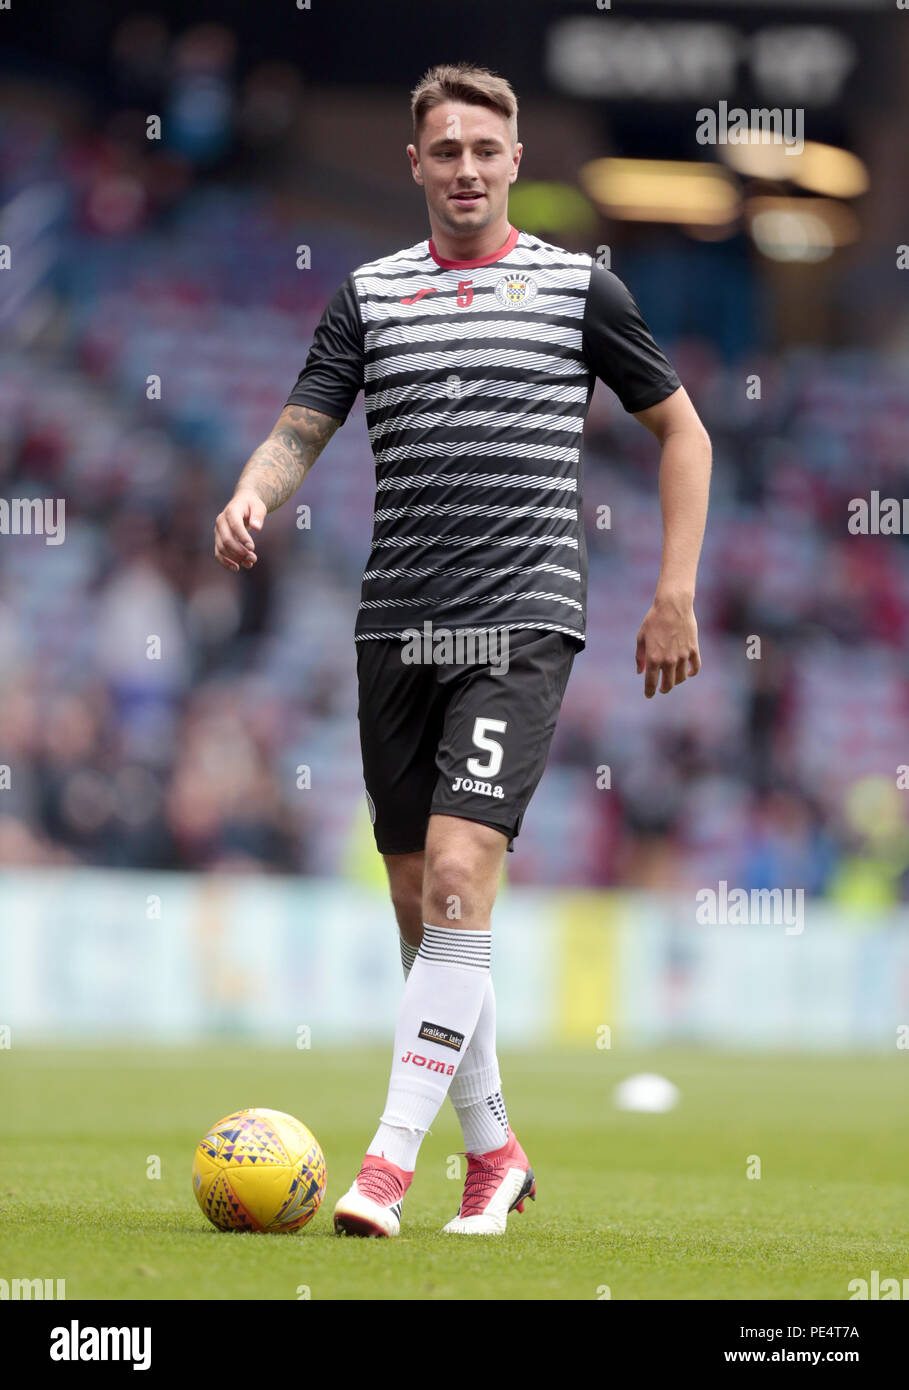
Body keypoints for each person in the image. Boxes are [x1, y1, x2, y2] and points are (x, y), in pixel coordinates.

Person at [214, 63, 711, 1237]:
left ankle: (387, 1165)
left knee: (455, 872)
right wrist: (253, 491)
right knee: (417, 902)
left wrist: (675, 590)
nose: (468, 168)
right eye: (446, 149)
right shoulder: (369, 296)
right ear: (417, 164)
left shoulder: (579, 286)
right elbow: (304, 418)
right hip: (395, 625)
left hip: (521, 617)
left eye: (486, 148)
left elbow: (682, 431)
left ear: (517, 158)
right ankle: (494, 1150)